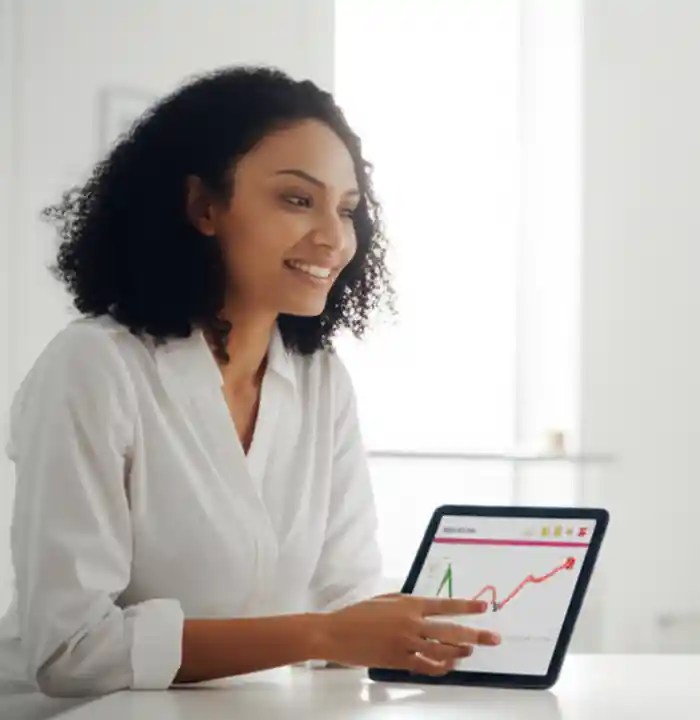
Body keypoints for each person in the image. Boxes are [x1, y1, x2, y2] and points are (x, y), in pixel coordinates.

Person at [0, 67, 500, 700]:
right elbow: (71, 652)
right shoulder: (95, 368)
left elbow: (344, 592)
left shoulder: (319, 379)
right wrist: (322, 636)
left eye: (346, 210)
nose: (333, 237)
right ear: (203, 206)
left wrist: (419, 632)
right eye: (297, 199)